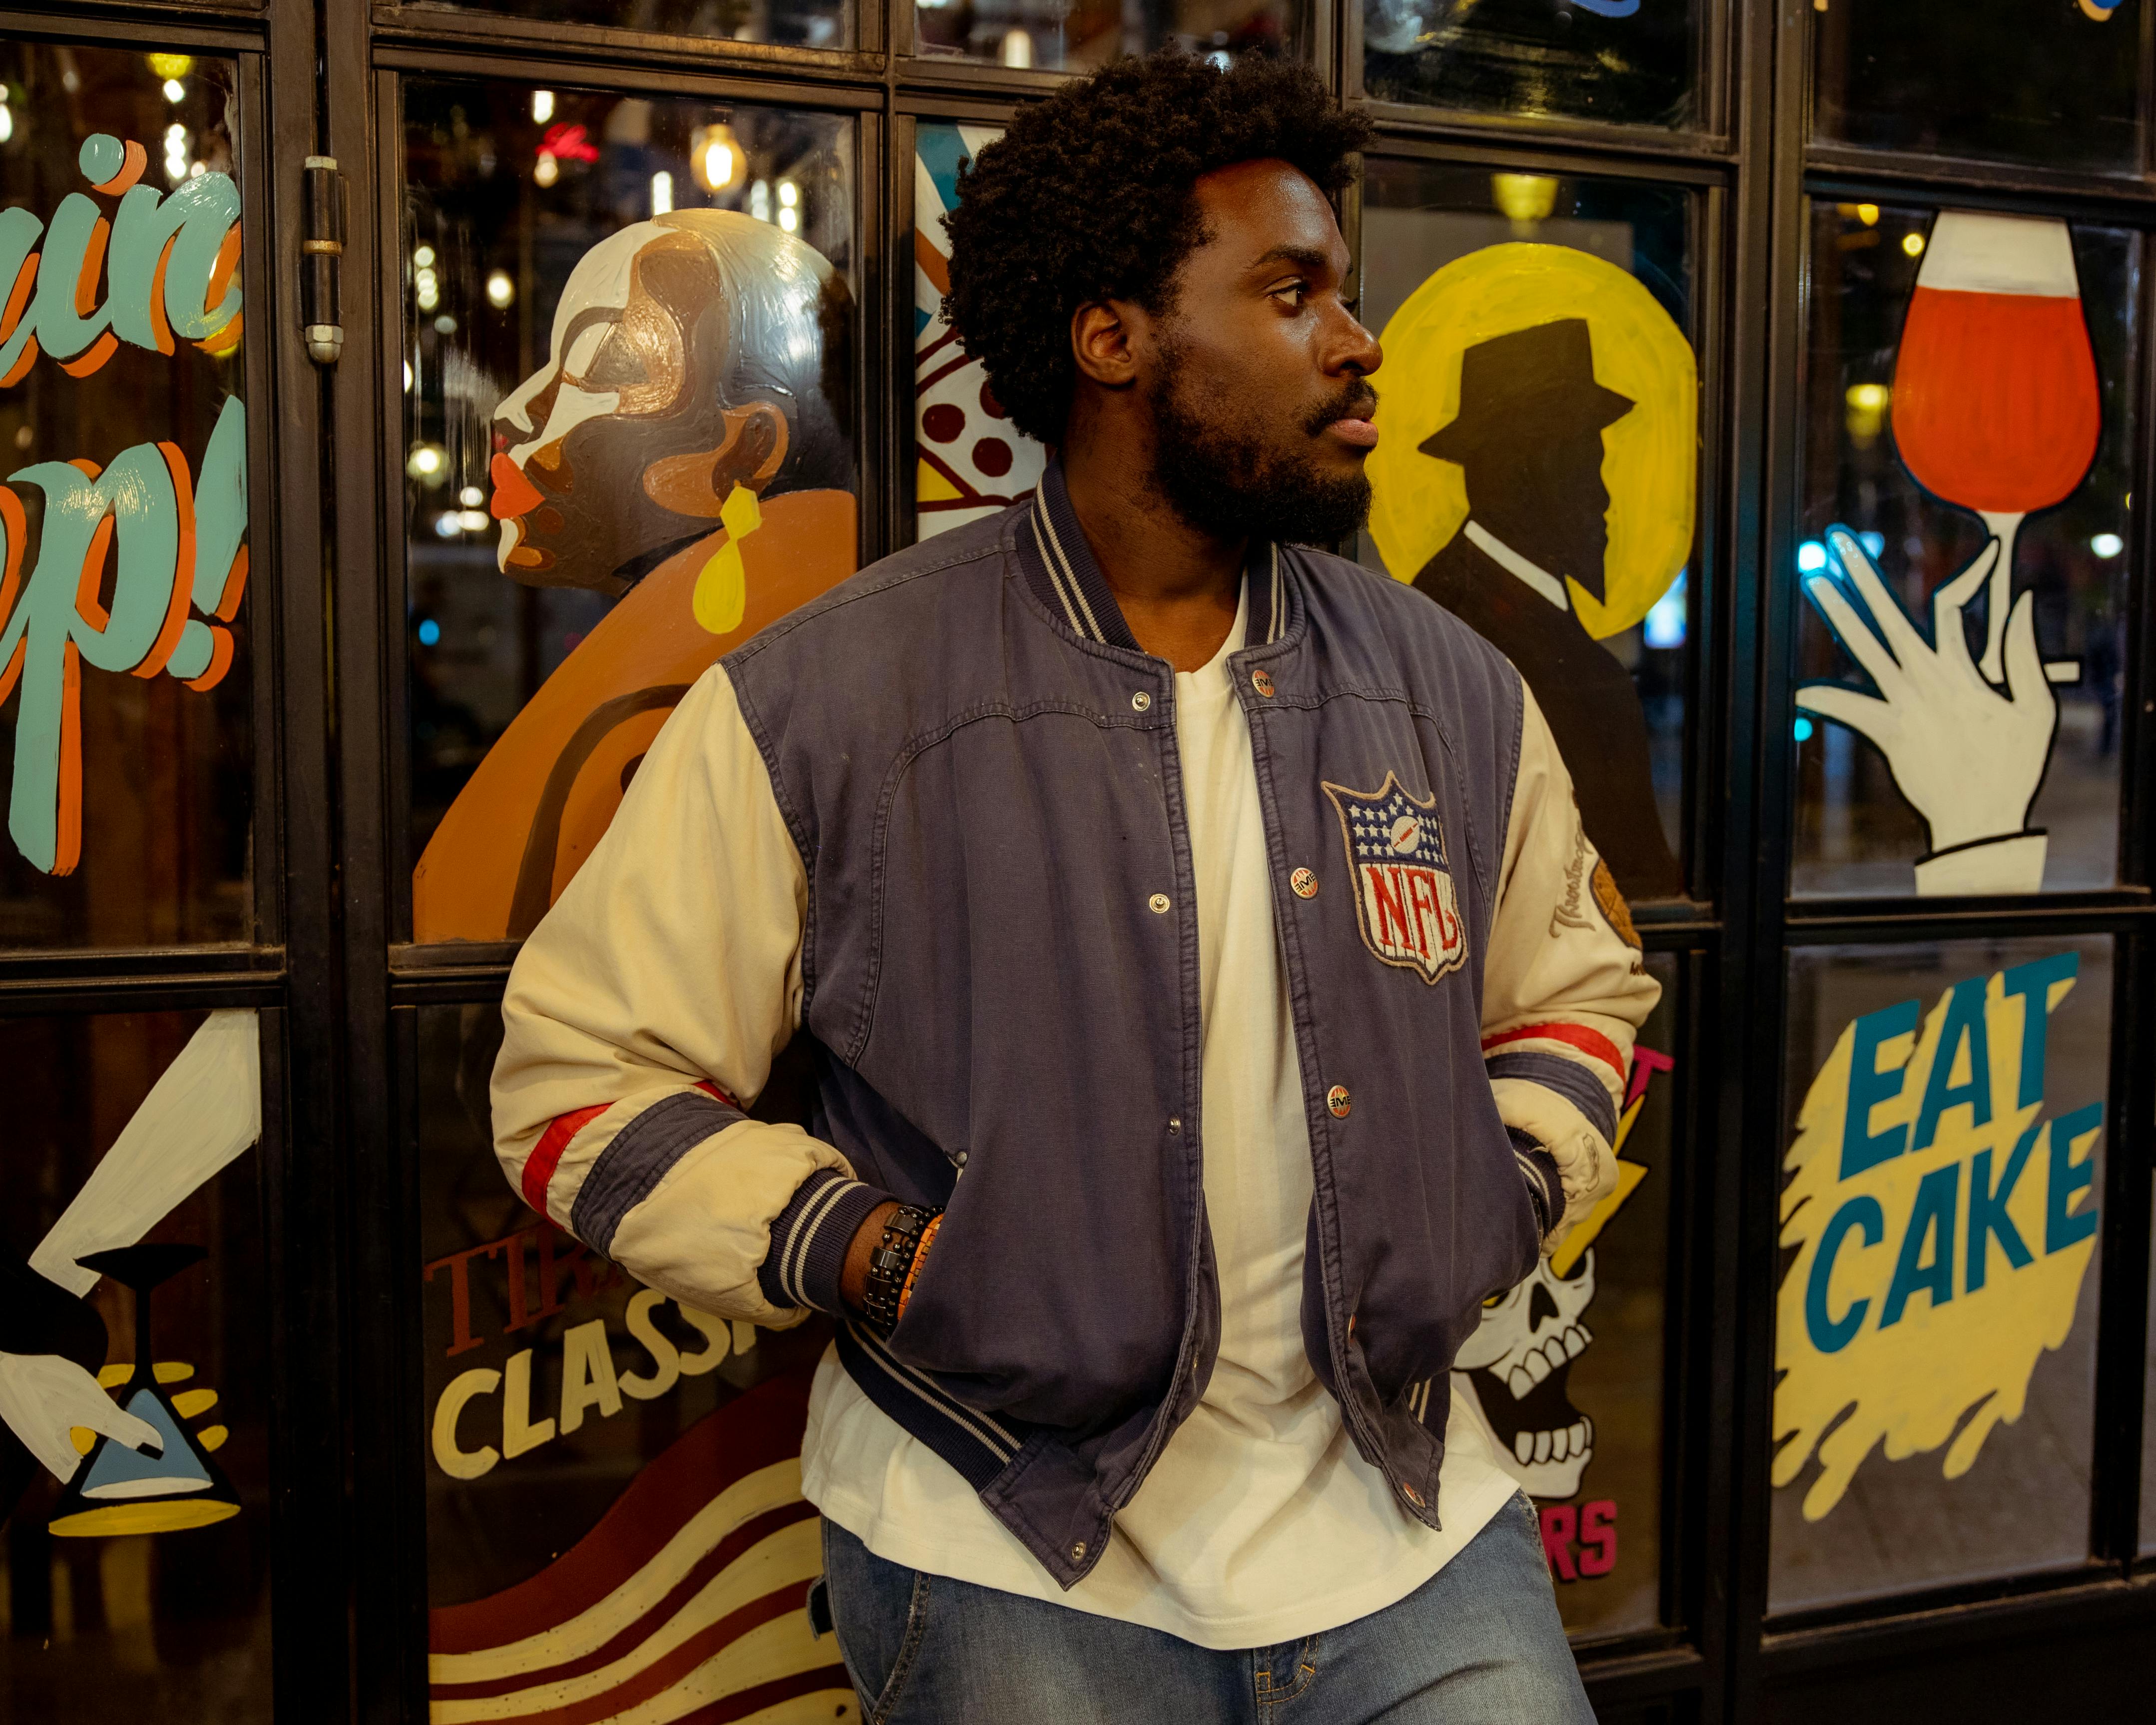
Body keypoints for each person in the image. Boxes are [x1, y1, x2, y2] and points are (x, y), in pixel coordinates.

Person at [491, 50, 1657, 1725]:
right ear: (1109, 339)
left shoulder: (1445, 685)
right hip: (1000, 1531)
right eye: (1287, 290)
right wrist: (877, 1252)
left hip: (1411, 1517)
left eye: (1346, 290)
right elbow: (571, 1081)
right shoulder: (830, 699)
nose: (1356, 339)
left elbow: (1575, 993)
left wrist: (1500, 1185)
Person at [1413, 318, 1684, 899]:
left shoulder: (1438, 605)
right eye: (1588, 461)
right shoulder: (1464, 628)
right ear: (1524, 471)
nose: (1606, 496)